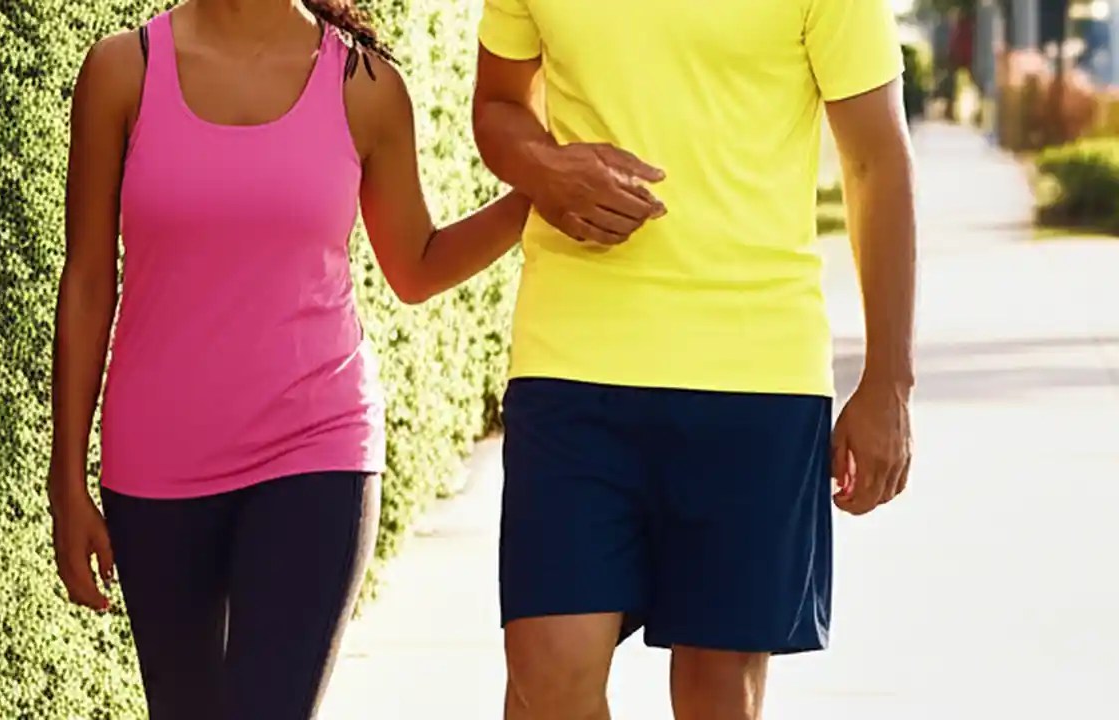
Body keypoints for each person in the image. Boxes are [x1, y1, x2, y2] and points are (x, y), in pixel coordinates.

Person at [47, 1, 575, 718]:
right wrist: (65, 475)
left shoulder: (363, 85)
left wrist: (538, 194)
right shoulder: (121, 72)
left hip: (315, 451)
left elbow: (414, 266)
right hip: (156, 466)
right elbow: (85, 283)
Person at [472, 1, 917, 719]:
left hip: (754, 370)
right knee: (546, 676)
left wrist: (889, 380)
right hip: (572, 359)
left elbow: (876, 160)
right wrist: (542, 167)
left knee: (718, 696)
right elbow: (497, 104)